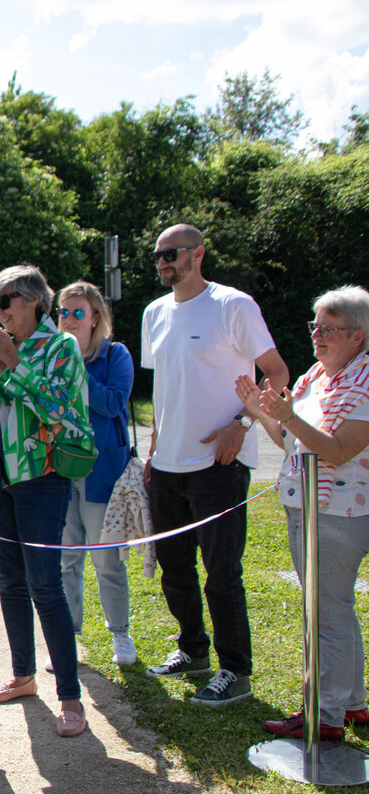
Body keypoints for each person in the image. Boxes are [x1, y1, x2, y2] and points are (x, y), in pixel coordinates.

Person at [141, 223, 288, 706]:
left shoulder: (233, 305)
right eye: (158, 256)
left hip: (218, 464)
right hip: (167, 465)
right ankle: (193, 650)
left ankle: (235, 671)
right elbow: (166, 388)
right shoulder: (154, 312)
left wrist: (242, 423)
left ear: (199, 253)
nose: (163, 262)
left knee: (220, 572)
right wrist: (154, 450)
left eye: (172, 253)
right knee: (174, 567)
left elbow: (277, 372)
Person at [236, 285, 369, 739]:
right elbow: (291, 443)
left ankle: (324, 716)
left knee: (325, 614)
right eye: (316, 326)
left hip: (338, 513)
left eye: (329, 328)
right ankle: (351, 704)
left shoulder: (365, 380)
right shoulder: (317, 375)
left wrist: (289, 417)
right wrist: (263, 410)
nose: (318, 335)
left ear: (358, 336)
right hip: (307, 507)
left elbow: (336, 450)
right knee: (333, 610)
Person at [0, 265, 92, 738]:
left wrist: (13, 363)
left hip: (43, 477)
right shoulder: (2, 347)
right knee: (9, 581)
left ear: (33, 300)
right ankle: (24, 676)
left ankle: (70, 696)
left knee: (45, 585)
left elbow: (61, 411)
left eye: (6, 300)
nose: (0, 311)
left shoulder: (61, 345)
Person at [55, 281, 137, 667]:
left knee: (106, 561)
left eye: (77, 313)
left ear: (95, 318)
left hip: (100, 471)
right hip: (59, 470)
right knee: (66, 559)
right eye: (63, 312)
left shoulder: (115, 355)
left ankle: (120, 633)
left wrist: (76, 371)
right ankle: (68, 637)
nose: (68, 320)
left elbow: (113, 403)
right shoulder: (50, 355)